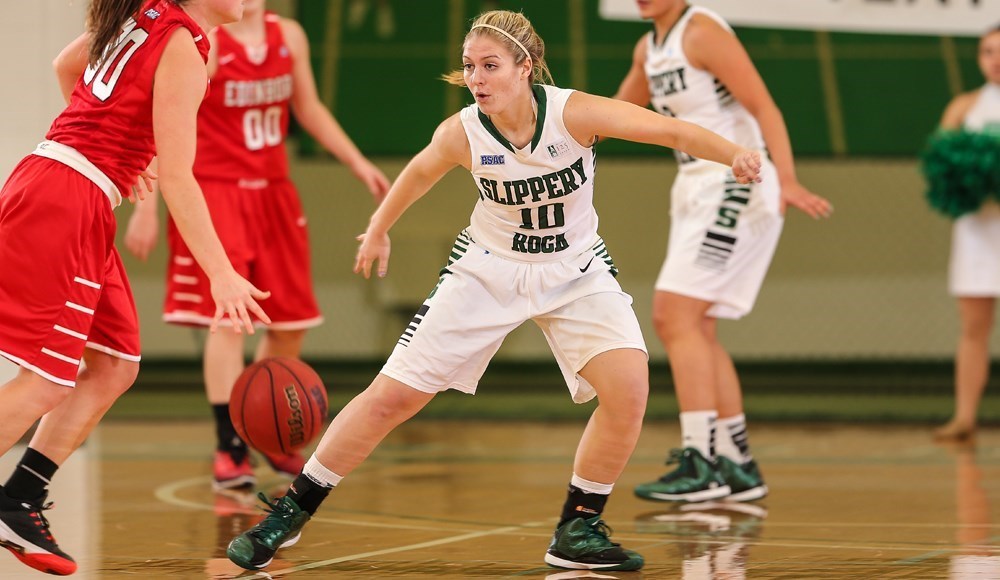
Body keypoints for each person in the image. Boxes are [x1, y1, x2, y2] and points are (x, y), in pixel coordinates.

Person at [225, 9, 765, 573]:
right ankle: (288, 514)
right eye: (469, 67)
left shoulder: (574, 113)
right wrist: (380, 227)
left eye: (489, 65)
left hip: (575, 270)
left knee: (629, 388)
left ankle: (577, 528)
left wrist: (734, 155)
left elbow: (670, 129)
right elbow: (417, 173)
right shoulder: (462, 132)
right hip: (487, 270)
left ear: (524, 67)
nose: (476, 78)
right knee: (392, 397)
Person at [0, 0, 270, 575]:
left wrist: (126, 151)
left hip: (70, 187)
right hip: (65, 198)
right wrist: (220, 271)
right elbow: (179, 177)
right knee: (47, 380)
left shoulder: (148, 16)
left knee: (115, 364)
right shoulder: (184, 46)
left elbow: (64, 67)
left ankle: (19, 496)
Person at [124, 0, 390, 490]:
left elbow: (307, 108)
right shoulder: (208, 43)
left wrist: (355, 161)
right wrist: (147, 206)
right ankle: (229, 446)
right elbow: (168, 122)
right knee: (228, 321)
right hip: (218, 191)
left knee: (288, 324)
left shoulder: (288, 35)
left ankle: (268, 432)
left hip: (276, 192)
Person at [612, 0, 832, 503]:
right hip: (695, 184)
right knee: (696, 324)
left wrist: (789, 179)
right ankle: (736, 462)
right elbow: (616, 113)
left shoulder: (703, 29)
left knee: (674, 315)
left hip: (737, 181)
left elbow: (763, 106)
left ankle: (700, 462)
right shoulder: (649, 47)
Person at [931, 25, 1000, 441]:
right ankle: (964, 418)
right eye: (988, 51)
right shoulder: (964, 106)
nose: (996, 59)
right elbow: (940, 164)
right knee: (973, 326)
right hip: (978, 229)